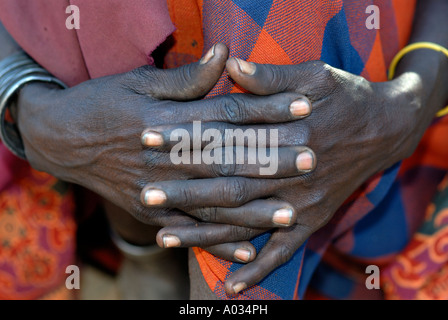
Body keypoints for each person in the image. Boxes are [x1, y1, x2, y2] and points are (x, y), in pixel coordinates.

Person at [0, 0, 447, 300]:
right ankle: (144, 248)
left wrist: (409, 102)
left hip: (386, 89)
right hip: (61, 92)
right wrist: (24, 101)